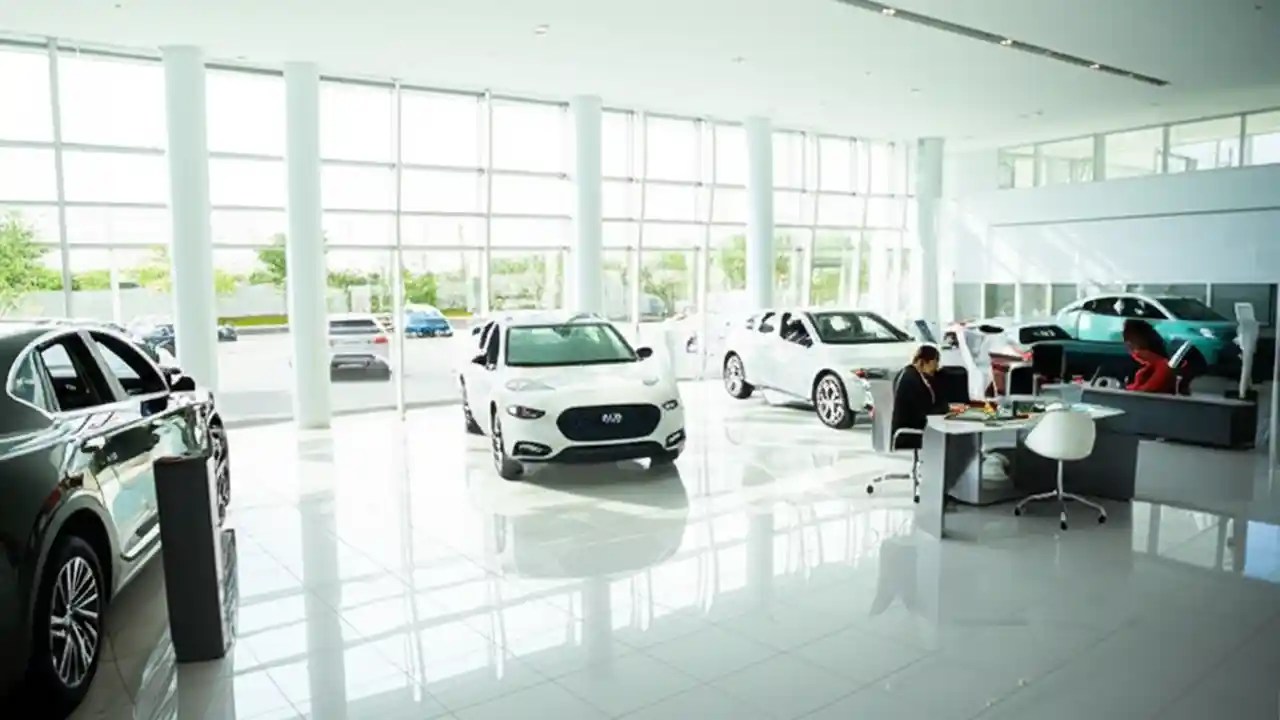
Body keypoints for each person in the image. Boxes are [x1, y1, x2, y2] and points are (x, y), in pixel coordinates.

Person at [890, 344, 950, 449]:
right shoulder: (910, 380)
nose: (936, 367)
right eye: (935, 363)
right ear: (924, 361)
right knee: (948, 441)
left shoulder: (912, 374)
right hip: (910, 433)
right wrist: (945, 409)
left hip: (916, 427)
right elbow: (925, 409)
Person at [1122, 319, 1175, 394]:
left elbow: (1145, 392)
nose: (1130, 351)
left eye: (1130, 343)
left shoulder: (1163, 367)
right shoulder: (1151, 367)